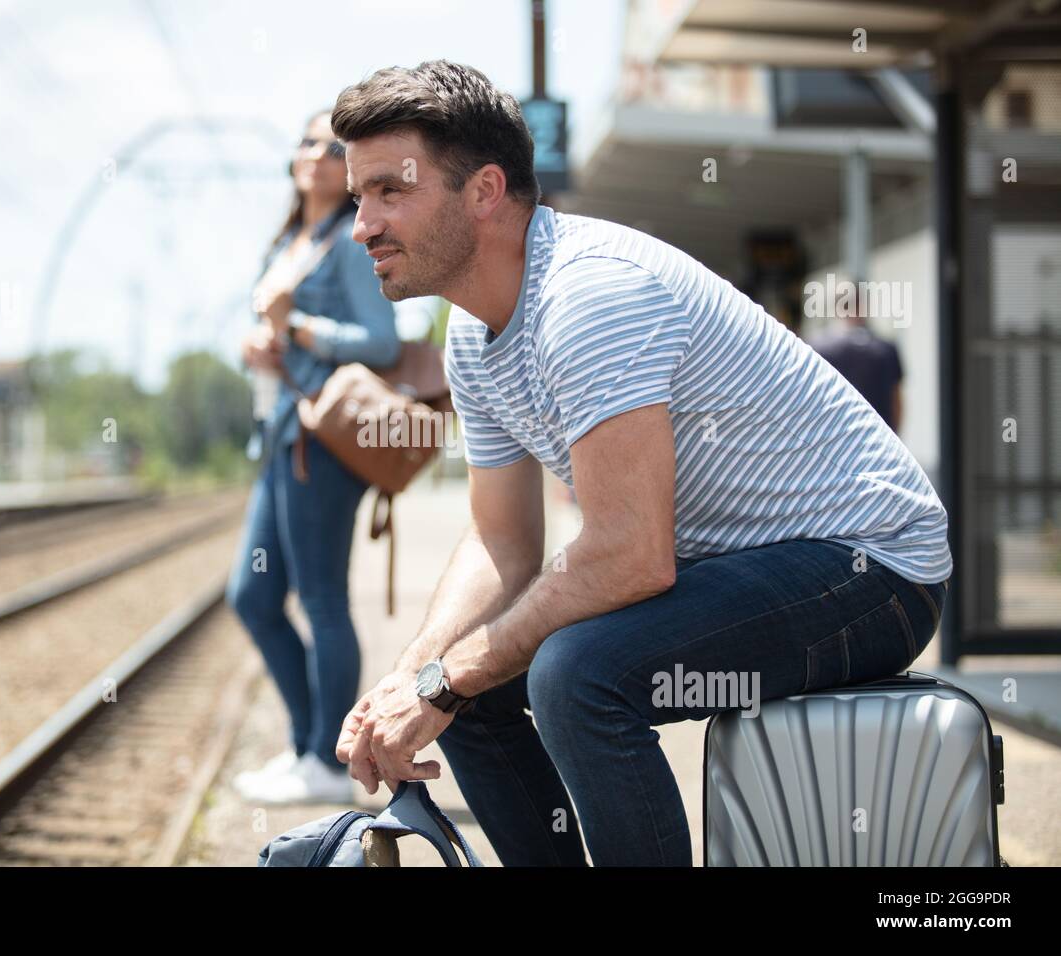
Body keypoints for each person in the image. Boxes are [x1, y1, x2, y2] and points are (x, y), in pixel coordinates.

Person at [328, 60, 953, 865]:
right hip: (746, 565)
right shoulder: (472, 335)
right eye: (357, 198)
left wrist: (445, 679)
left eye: (389, 191)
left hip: (874, 569)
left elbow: (631, 555)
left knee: (575, 675)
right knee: (469, 690)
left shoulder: (589, 298)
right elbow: (500, 543)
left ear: (483, 191)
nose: (362, 226)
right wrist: (409, 682)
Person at [225, 109, 401, 805]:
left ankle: (329, 759)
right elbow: (264, 330)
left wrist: (300, 328)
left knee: (323, 596)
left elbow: (382, 340)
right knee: (253, 596)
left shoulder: (349, 244)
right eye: (305, 143)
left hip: (323, 444)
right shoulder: (289, 242)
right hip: (277, 437)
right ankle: (308, 750)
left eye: (333, 148)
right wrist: (253, 345)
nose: (316, 156)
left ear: (350, 168)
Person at [807, 286, 905, 433]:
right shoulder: (885, 348)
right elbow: (896, 401)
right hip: (878, 438)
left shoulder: (818, 347)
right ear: (863, 306)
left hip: (835, 438)